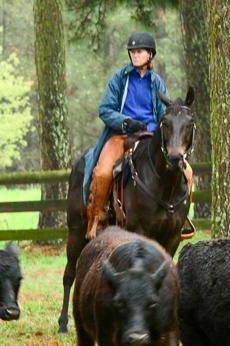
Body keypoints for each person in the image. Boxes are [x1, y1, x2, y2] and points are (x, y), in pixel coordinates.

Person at [82, 31, 194, 240]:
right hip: (121, 136)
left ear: (150, 54)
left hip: (151, 137)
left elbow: (164, 115)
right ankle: (97, 218)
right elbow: (104, 109)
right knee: (104, 172)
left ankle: (182, 218)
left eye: (139, 51)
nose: (135, 55)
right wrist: (126, 122)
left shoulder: (157, 82)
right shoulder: (119, 78)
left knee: (187, 172)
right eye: (132, 52)